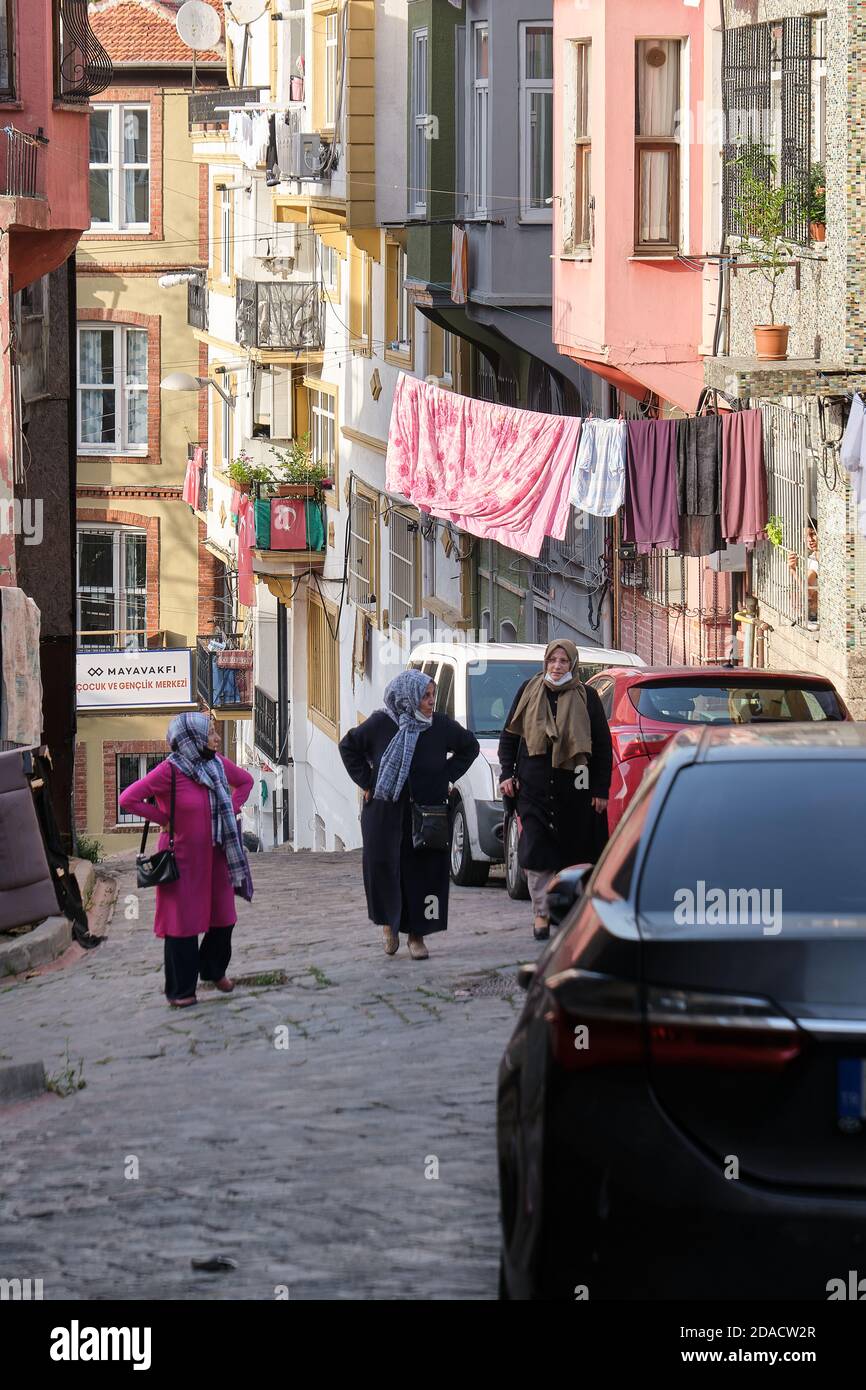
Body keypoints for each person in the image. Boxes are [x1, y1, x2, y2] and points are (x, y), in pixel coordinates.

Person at [338, 669, 480, 960]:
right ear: (408, 697)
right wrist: (366, 781)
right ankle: (389, 925)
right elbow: (348, 746)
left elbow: (470, 747)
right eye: (425, 696)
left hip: (427, 813)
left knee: (424, 874)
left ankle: (417, 936)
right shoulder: (381, 724)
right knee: (384, 870)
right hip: (385, 812)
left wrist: (447, 776)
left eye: (432, 695)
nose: (431, 702)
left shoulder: (439, 726)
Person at [118, 712, 254, 1007]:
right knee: (182, 925)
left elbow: (245, 782)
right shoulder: (169, 771)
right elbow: (127, 799)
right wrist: (163, 818)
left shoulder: (216, 764)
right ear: (191, 740)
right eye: (211, 735)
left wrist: (230, 809)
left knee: (224, 919)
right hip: (181, 858)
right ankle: (181, 990)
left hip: (218, 856)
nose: (217, 740)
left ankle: (213, 969)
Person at [498, 639, 612, 942]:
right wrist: (506, 774)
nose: (557, 666)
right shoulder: (529, 691)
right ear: (545, 662)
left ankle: (571, 913)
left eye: (563, 661)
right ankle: (541, 913)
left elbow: (602, 746)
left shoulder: (587, 697)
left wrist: (601, 790)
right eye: (553, 660)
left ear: (572, 664)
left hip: (575, 789)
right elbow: (510, 736)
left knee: (573, 851)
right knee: (537, 851)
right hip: (533, 787)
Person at [788, 520, 819, 626]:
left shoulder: (815, 562)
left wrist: (793, 570)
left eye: (813, 534)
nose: (810, 540)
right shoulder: (811, 559)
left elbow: (808, 592)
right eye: (806, 536)